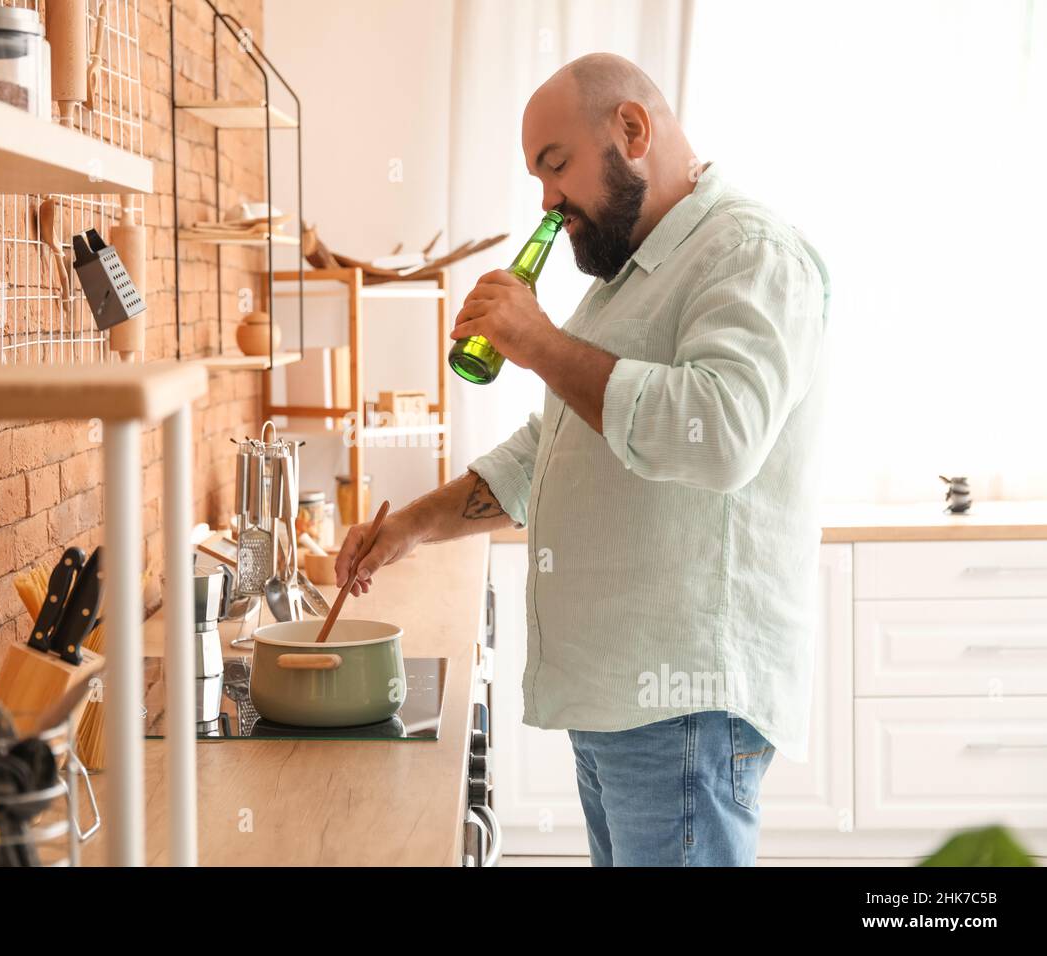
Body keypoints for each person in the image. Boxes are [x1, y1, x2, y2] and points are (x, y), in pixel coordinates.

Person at [335, 52, 830, 866]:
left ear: (632, 129)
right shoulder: (627, 282)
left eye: (555, 165)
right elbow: (556, 448)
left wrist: (538, 342)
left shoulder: (748, 252)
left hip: (682, 708)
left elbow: (721, 430)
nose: (546, 200)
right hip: (620, 706)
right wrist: (411, 528)